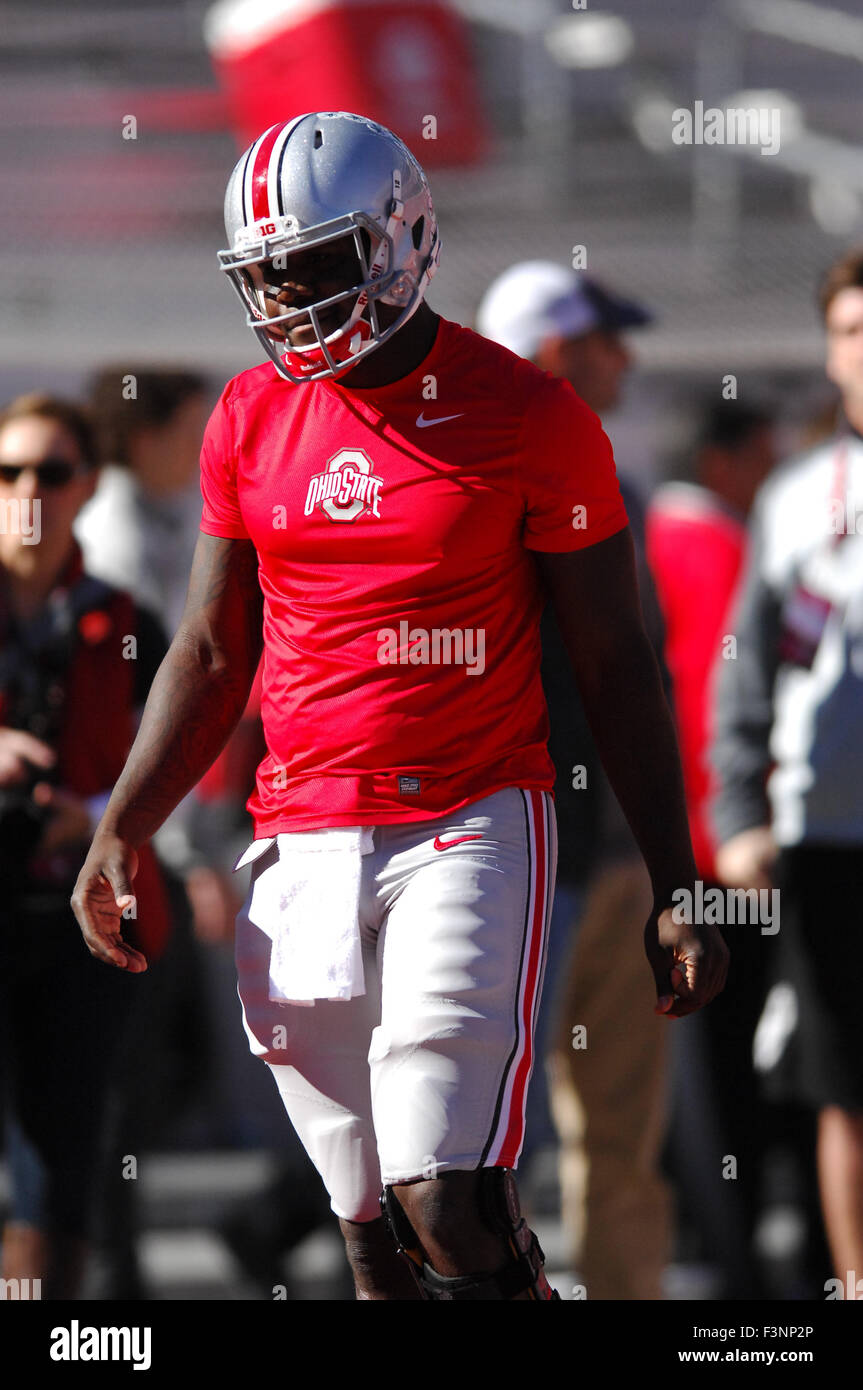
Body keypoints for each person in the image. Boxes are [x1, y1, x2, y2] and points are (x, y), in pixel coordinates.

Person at [71, 110, 727, 1302]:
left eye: (314, 261)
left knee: (450, 1205)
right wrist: (125, 823)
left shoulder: (528, 414)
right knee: (371, 1235)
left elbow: (615, 660)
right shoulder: (248, 416)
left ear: (401, 238)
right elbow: (216, 648)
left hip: (470, 816)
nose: (285, 294)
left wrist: (671, 878)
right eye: (264, 271)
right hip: (302, 825)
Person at [475, 261, 675, 1298]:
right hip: (509, 861)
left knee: (618, 1135)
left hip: (608, 855)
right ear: (556, 353)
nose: (624, 361)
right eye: (605, 343)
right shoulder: (462, 485)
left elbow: (638, 673)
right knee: (483, 1146)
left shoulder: (611, 484)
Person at [712, 247, 863, 1294]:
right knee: (842, 1091)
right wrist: (736, 815)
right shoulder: (798, 497)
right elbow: (742, 676)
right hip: (829, 840)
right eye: (851, 332)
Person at [0, 392, 169, 1299]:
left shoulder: (128, 620)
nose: (30, 489)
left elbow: (184, 760)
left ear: (87, 485)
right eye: (11, 470)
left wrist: (99, 811)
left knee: (64, 1144)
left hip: (82, 915)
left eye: (53, 472)